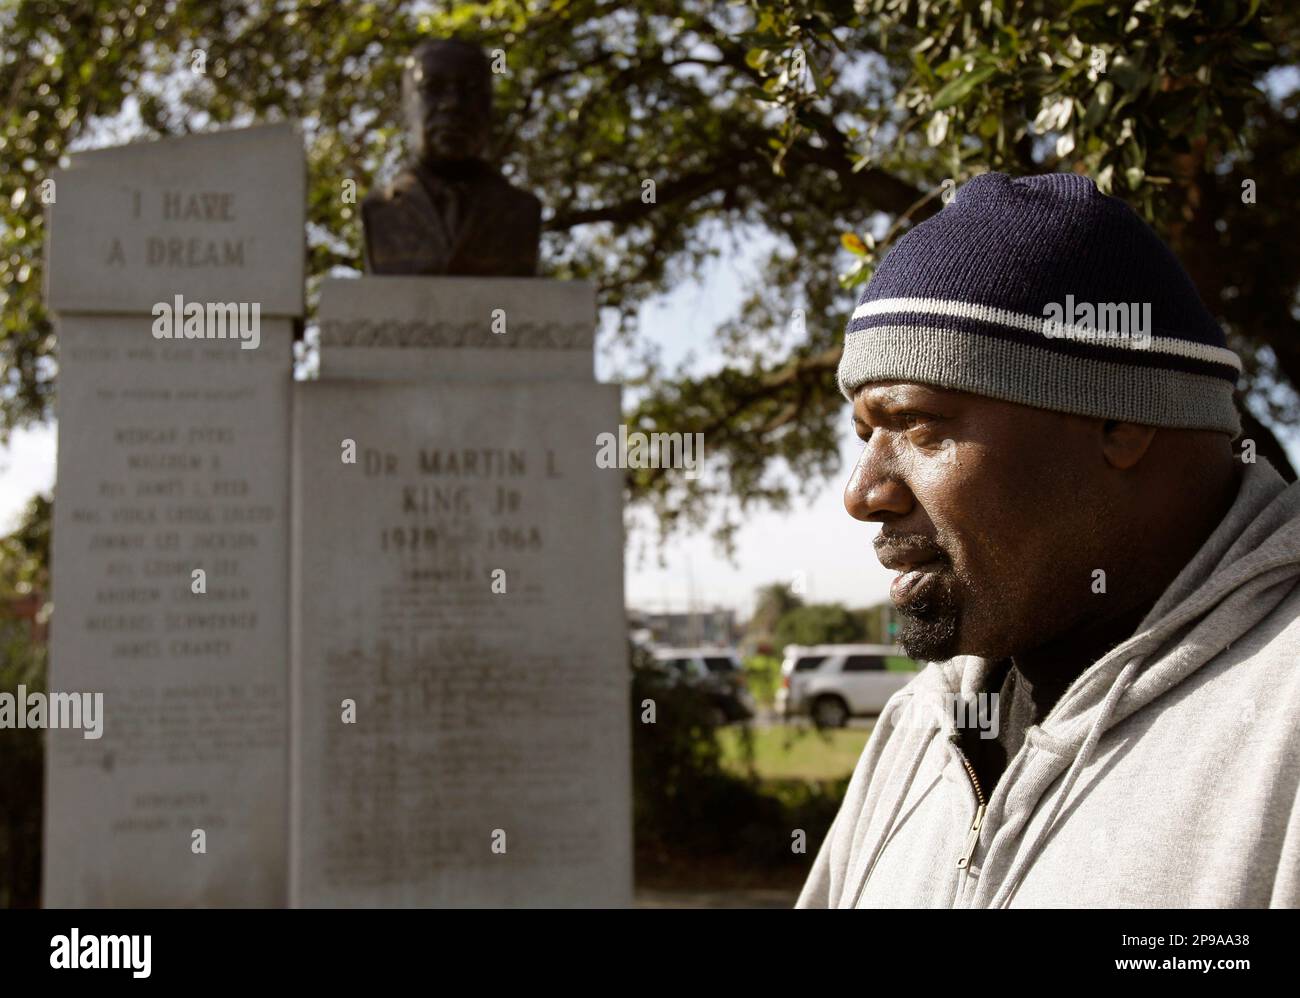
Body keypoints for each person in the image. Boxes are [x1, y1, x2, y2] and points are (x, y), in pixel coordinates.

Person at [797, 172, 1300, 908]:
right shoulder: (920, 725)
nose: (862, 492)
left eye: (918, 424)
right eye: (866, 434)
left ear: (1120, 422)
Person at [362, 38, 541, 276]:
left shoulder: (521, 212)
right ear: (405, 106)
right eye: (432, 88)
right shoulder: (379, 210)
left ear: (489, 107)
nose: (453, 104)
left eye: (471, 90)